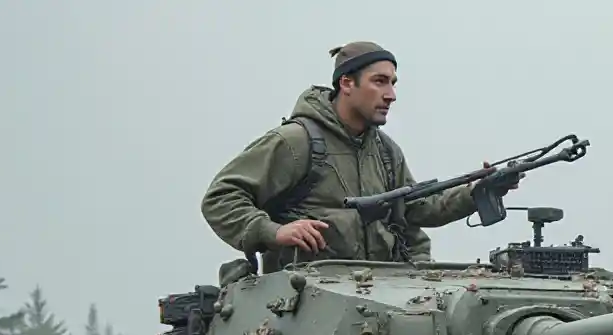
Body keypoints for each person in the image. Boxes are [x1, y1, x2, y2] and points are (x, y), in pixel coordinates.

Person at [200, 42, 517, 276]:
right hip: (305, 302)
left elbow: (417, 208)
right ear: (346, 83)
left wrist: (475, 191)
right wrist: (273, 231)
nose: (391, 94)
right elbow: (221, 198)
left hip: (378, 296)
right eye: (379, 81)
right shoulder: (296, 142)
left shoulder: (385, 152)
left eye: (393, 83)